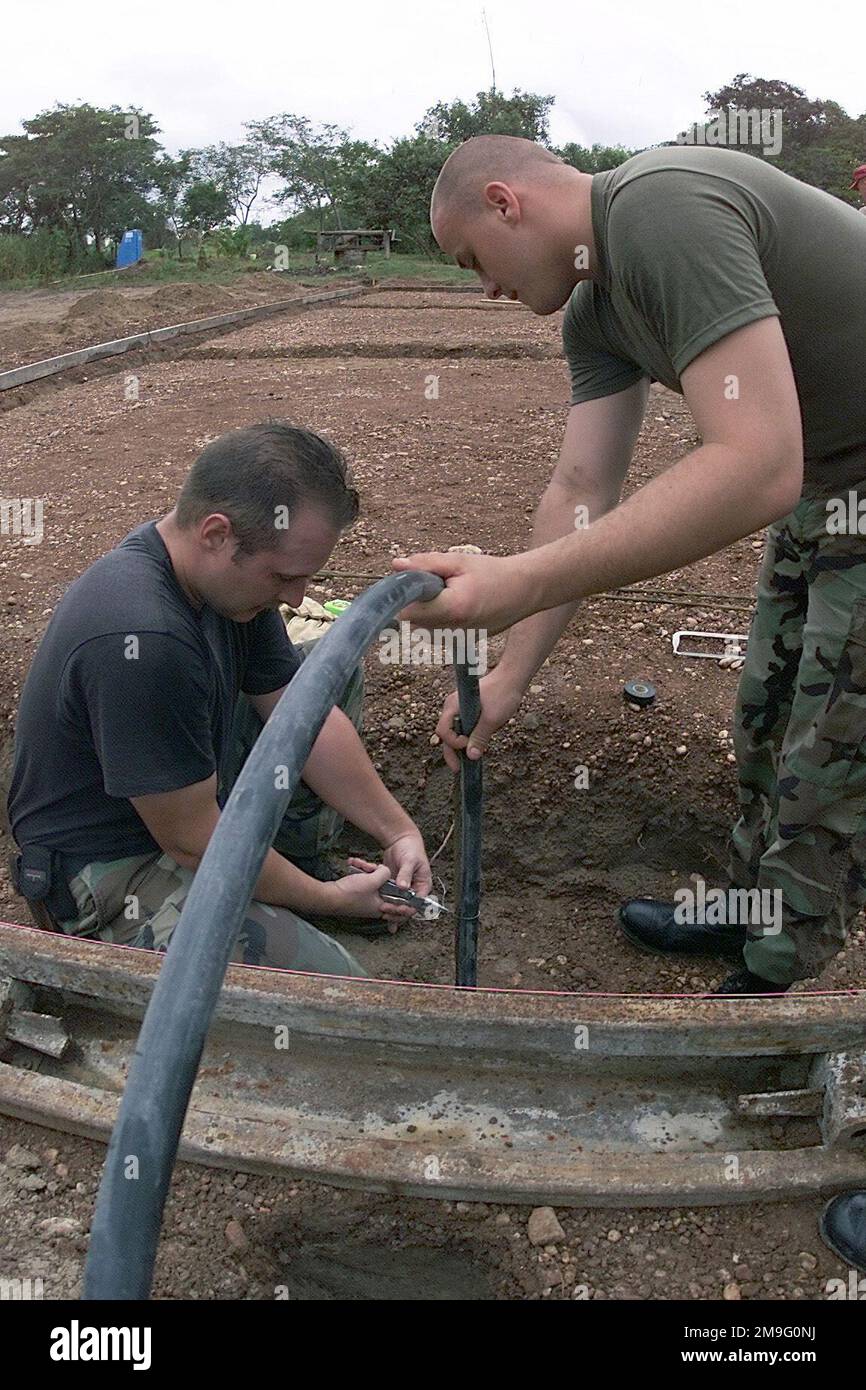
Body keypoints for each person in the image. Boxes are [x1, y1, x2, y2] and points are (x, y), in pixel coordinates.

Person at [393, 130, 866, 1269]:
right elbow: (580, 492)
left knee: (835, 750)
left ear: (506, 201)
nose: (492, 294)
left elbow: (752, 462)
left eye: (472, 261)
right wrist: (506, 673)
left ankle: (776, 988)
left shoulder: (657, 203)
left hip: (830, 473)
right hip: (836, 482)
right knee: (766, 721)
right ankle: (763, 920)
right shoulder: (596, 310)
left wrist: (516, 582)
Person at [8, 421, 432, 977]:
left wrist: (397, 829)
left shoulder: (221, 585)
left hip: (184, 814)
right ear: (215, 534)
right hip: (110, 870)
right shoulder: (145, 639)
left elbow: (301, 716)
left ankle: (291, 872)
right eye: (282, 575)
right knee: (336, 985)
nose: (297, 596)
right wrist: (324, 901)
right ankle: (299, 895)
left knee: (327, 675)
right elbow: (191, 841)